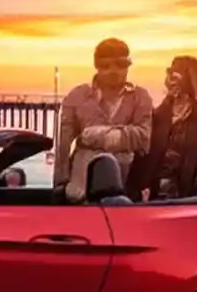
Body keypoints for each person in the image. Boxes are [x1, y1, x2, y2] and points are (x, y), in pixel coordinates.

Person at [53, 38, 153, 202]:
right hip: (82, 189)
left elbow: (144, 139)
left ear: (128, 66)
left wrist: (99, 135)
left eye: (120, 65)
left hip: (126, 188)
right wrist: (60, 184)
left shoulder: (140, 97)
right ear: (97, 66)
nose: (113, 71)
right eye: (106, 66)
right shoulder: (77, 96)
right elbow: (63, 146)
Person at [127, 55, 197, 201]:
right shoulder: (157, 114)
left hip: (186, 194)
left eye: (177, 76)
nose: (171, 81)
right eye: (169, 74)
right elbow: (145, 156)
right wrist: (139, 191)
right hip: (153, 195)